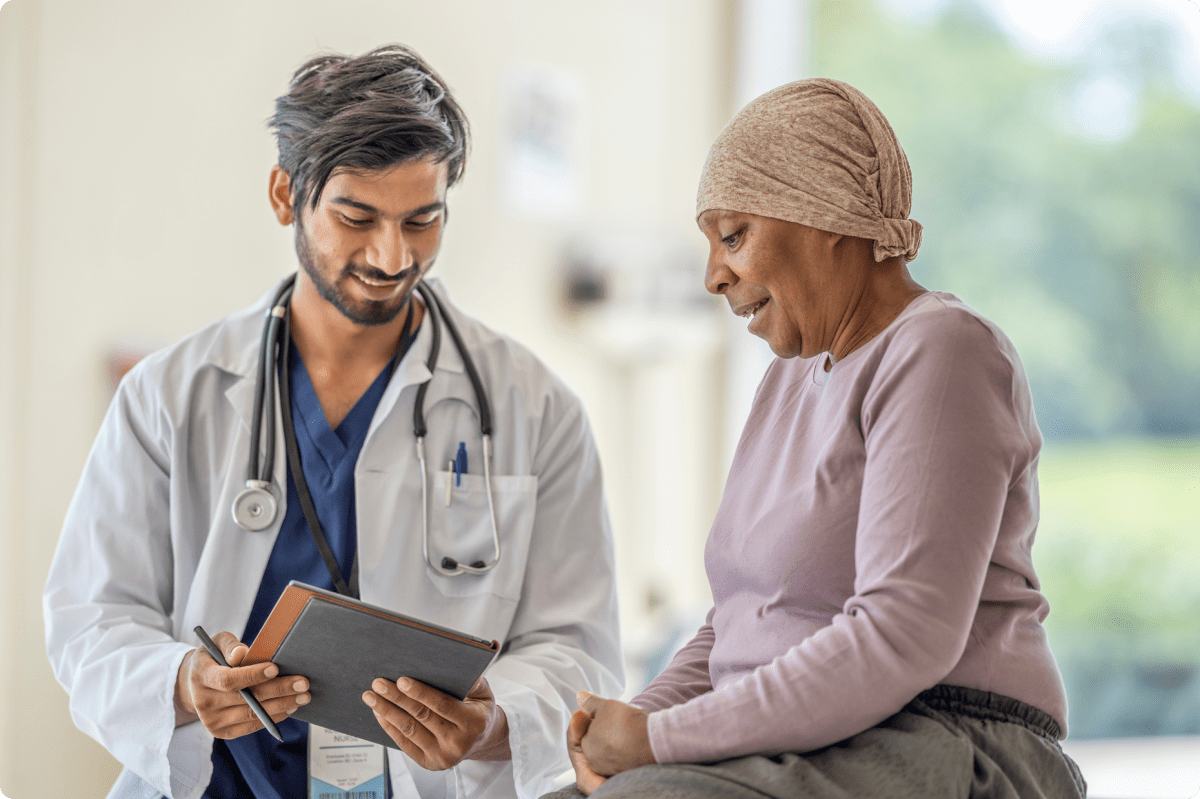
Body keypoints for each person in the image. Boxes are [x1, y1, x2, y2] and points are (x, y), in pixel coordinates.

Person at [44, 44, 622, 799]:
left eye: (423, 220)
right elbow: (92, 618)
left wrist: (493, 721)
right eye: (357, 217)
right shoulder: (172, 396)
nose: (392, 254)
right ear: (286, 195)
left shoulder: (534, 408)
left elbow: (579, 646)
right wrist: (186, 683)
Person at [549, 78, 1086, 798]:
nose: (714, 275)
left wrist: (656, 742)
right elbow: (737, 624)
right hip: (810, 745)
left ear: (826, 213)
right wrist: (632, 723)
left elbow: (905, 633)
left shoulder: (942, 348)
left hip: (948, 735)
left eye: (733, 237)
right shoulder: (790, 380)